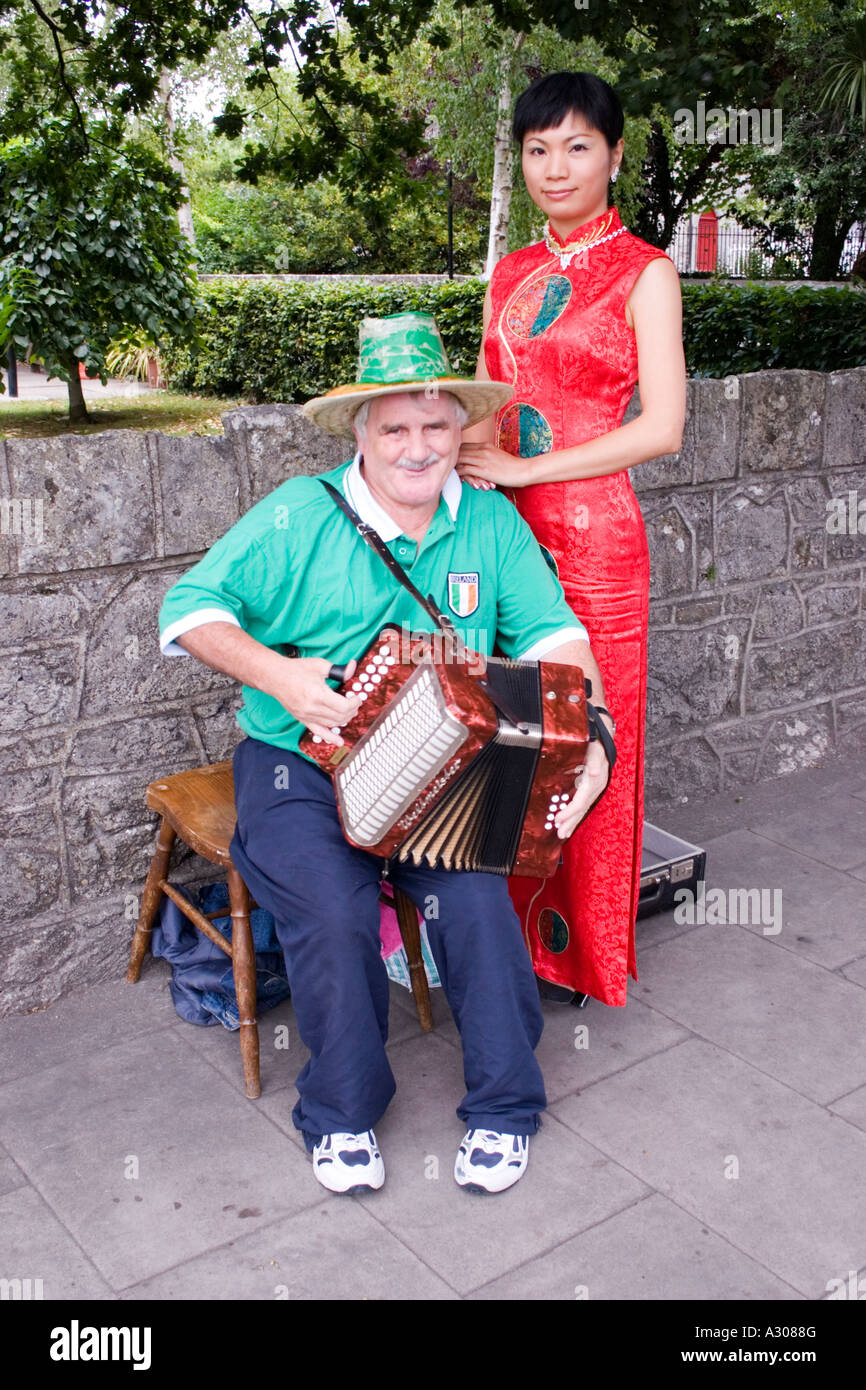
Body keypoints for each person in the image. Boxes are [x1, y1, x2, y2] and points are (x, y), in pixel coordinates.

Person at [157, 312, 615, 1197]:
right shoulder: (297, 514)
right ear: (363, 432)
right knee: (331, 914)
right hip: (301, 759)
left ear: (458, 428)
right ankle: (340, 1109)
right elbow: (187, 610)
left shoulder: (487, 522)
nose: (417, 446)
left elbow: (556, 633)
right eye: (395, 427)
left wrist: (588, 733)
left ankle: (506, 1106)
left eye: (435, 425)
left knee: (478, 901)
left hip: (441, 765)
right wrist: (282, 677)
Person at [458, 71, 687, 1008]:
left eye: (577, 146)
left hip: (594, 544)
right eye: (537, 149)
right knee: (507, 730)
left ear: (615, 155)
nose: (556, 168)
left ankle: (579, 954)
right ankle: (500, 935)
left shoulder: (646, 270)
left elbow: (662, 426)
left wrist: (523, 472)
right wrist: (464, 471)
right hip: (503, 535)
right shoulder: (510, 272)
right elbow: (485, 396)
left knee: (587, 736)